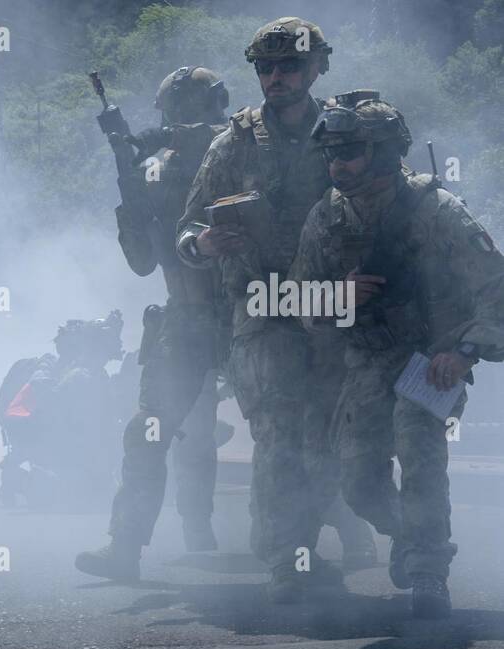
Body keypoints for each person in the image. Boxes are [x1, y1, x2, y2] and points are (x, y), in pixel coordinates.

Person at [172, 17, 373, 603]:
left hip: (332, 307)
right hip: (262, 304)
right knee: (279, 432)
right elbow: (189, 226)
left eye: (290, 66)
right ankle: (288, 561)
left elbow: (389, 203)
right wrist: (203, 245)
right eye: (266, 67)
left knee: (328, 434)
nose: (276, 77)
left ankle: (326, 536)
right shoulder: (233, 142)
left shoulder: (346, 132)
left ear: (318, 68)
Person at [292, 95, 504, 617]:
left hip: (430, 360)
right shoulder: (327, 218)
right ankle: (411, 538)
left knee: (420, 456)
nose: (337, 163)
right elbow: (296, 298)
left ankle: (430, 570)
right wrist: (336, 297)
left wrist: (464, 349)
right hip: (366, 363)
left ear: (384, 151)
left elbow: (495, 286)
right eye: (331, 153)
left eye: (351, 151)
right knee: (360, 482)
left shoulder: (435, 209)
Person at [76, 67, 230, 581]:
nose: (185, 122)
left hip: (251, 313)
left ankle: (327, 539)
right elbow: (143, 260)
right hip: (187, 317)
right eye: (177, 111)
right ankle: (125, 547)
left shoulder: (242, 152)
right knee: (148, 430)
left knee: (292, 429)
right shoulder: (154, 168)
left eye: (195, 109)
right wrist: (130, 181)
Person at [0, 313, 128, 510]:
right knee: (68, 495)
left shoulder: (95, 375)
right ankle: (20, 479)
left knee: (104, 494)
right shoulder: (79, 378)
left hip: (81, 453)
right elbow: (63, 426)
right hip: (66, 453)